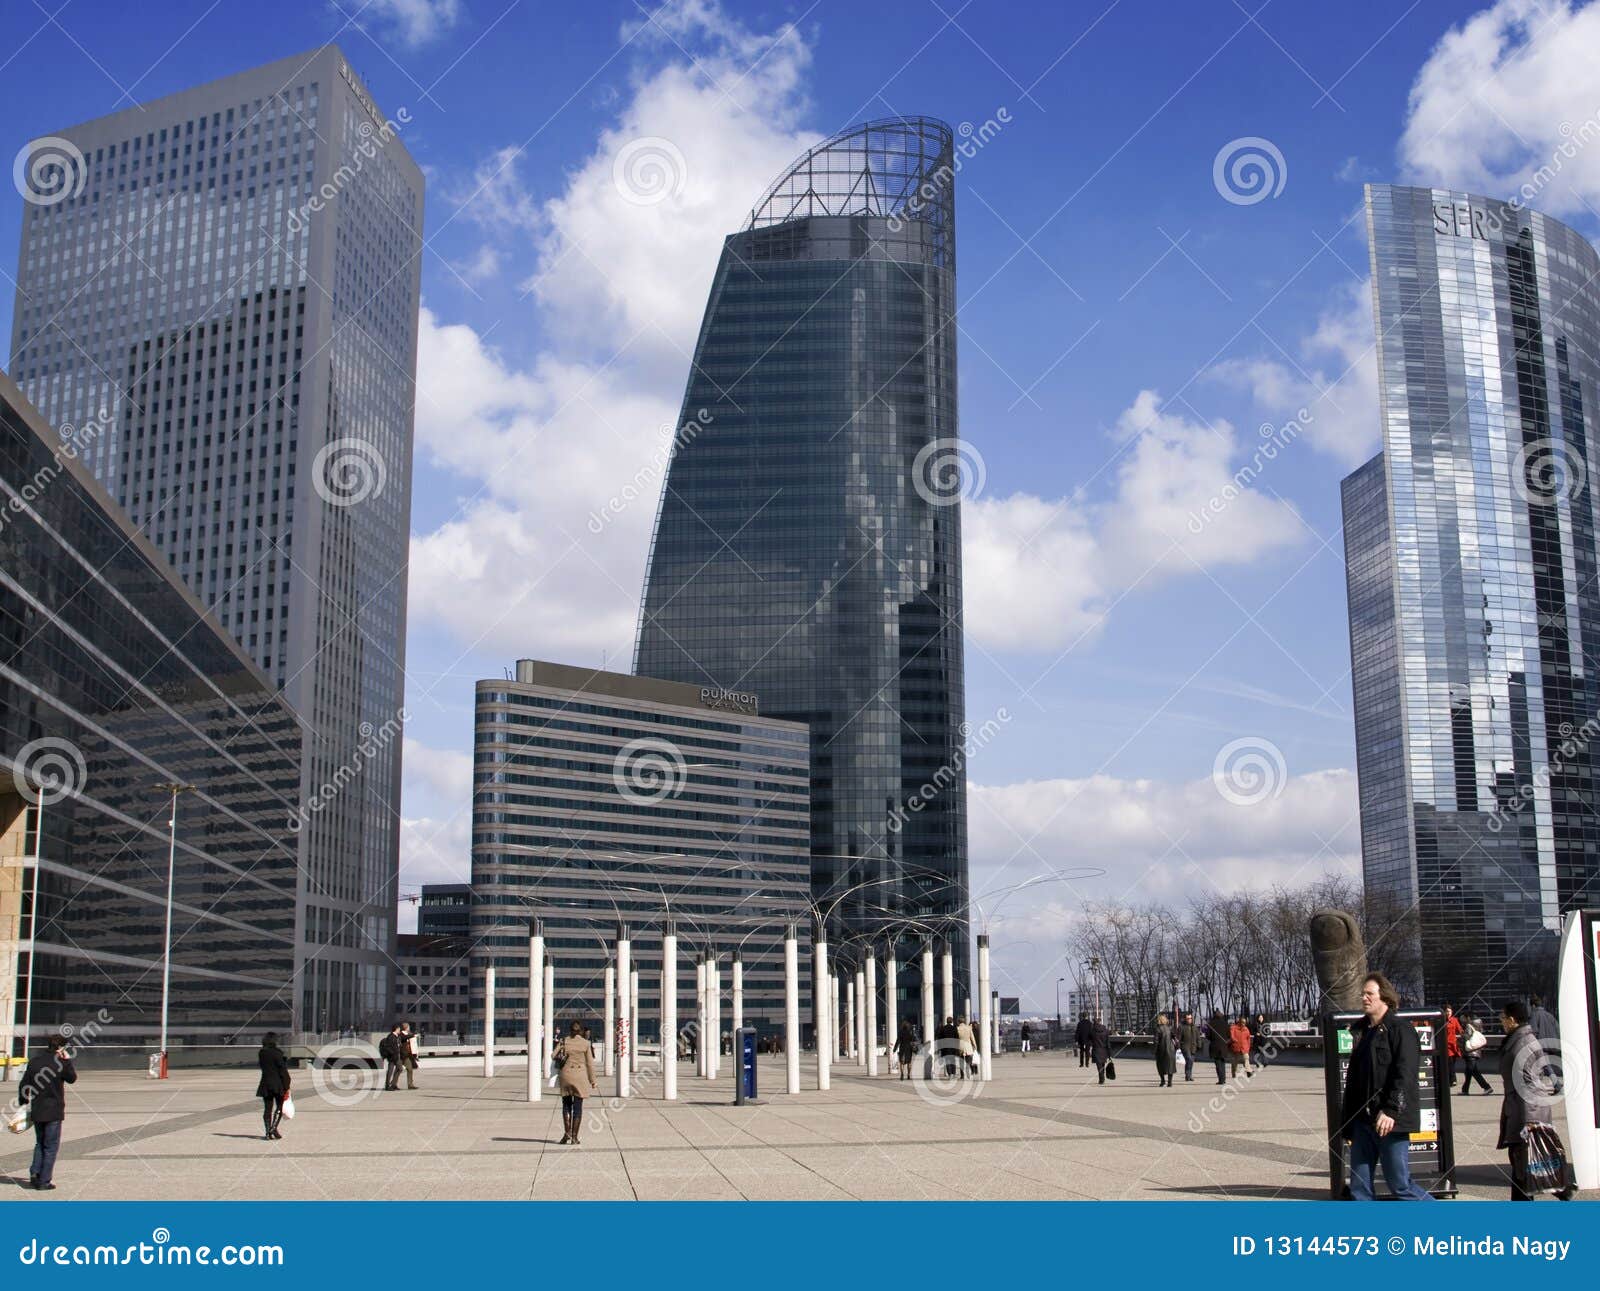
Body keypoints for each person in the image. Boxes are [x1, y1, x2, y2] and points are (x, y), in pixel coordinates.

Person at [1337, 972, 1432, 1201]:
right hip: (1362, 1121)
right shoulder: (1362, 1032)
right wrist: (1349, 1122)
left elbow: (1405, 1074)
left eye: (1370, 994)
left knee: (1400, 1185)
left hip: (1389, 1121)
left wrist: (1391, 1110)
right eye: (1363, 994)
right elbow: (1355, 1081)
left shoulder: (1400, 1030)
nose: (1364, 998)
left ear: (1385, 998)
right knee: (1359, 1187)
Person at [1496, 998, 1570, 1200]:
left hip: (1525, 1114)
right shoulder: (1518, 1039)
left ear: (1512, 1019)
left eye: (1503, 1017)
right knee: (1523, 1166)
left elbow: (1529, 1085)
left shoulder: (1523, 1043)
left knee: (1523, 1165)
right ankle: (1561, 1190)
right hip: (1520, 1110)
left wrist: (1530, 1123)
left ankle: (1562, 1189)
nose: (1501, 1021)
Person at [19, 1033, 77, 1191]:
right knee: (50, 1146)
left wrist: (23, 1102)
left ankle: (35, 1174)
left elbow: (24, 1084)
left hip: (38, 1108)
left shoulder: (35, 1061)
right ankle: (44, 1181)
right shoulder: (60, 1063)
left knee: (40, 1143)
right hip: (54, 1110)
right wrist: (67, 1060)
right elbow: (72, 1078)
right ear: (61, 1047)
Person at [555, 1020, 597, 1146]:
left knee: (566, 1105)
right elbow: (590, 1064)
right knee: (577, 1108)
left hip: (566, 1076)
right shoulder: (585, 1043)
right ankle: (574, 1137)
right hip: (580, 1077)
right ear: (581, 1031)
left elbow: (553, 1055)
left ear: (570, 1029)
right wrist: (593, 1081)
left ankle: (566, 1134)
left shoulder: (564, 1041)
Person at [255, 1033, 291, 1141]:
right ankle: (273, 1128)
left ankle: (268, 1132)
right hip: (278, 1084)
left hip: (265, 1083)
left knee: (267, 1108)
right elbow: (282, 1071)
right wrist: (287, 1085)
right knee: (279, 1107)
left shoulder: (262, 1053)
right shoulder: (277, 1054)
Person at [1459, 1012, 1492, 1095]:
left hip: (1470, 1052)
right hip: (1476, 1050)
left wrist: (1461, 1036)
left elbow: (1467, 1036)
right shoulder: (1478, 1024)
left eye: (1463, 1018)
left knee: (1473, 1071)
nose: (1461, 1020)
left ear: (1468, 1018)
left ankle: (1487, 1087)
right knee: (1468, 1072)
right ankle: (1465, 1090)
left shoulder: (1469, 1025)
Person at [1206, 1012, 1230, 1084]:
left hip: (1215, 1046)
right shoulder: (1225, 1024)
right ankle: (1223, 1079)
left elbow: (1208, 1036)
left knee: (1218, 1063)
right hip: (1223, 1046)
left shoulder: (1211, 1024)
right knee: (1223, 1063)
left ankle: (1221, 1079)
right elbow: (1229, 1035)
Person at [1153, 1013, 1176, 1087]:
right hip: (1171, 1049)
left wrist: (1154, 1050)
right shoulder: (1170, 1028)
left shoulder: (1158, 1029)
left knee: (1160, 1066)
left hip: (1161, 1050)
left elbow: (1156, 1041)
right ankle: (1170, 1082)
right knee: (1170, 1066)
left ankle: (1163, 1081)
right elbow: (1174, 1036)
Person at [379, 1022, 404, 1091]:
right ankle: (388, 1086)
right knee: (392, 1070)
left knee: (398, 1069)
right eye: (399, 1029)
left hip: (396, 1056)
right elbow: (388, 1047)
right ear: (396, 1029)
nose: (400, 1030)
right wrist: (393, 1053)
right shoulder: (390, 1036)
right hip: (392, 1057)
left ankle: (393, 1084)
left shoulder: (396, 1036)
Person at [935, 1016, 961, 1080]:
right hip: (953, 1048)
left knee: (947, 1061)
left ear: (947, 1021)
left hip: (945, 1048)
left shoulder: (943, 1028)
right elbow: (957, 1038)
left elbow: (940, 1039)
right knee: (953, 1061)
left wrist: (939, 1048)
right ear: (951, 1021)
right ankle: (953, 1073)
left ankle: (949, 1074)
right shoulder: (954, 1028)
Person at [1089, 1017, 1111, 1084]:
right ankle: (1102, 1078)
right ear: (1100, 1022)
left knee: (1099, 1066)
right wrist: (1109, 1054)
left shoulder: (1092, 1031)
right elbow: (1108, 1043)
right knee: (1102, 1065)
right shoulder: (1106, 1031)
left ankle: (1101, 1079)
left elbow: (1090, 1041)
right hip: (1104, 1050)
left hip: (1096, 1049)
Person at [1179, 1012, 1199, 1083]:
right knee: (1189, 1060)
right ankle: (1188, 1075)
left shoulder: (1194, 1027)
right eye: (1188, 1018)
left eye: (1190, 1018)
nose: (1189, 1020)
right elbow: (1179, 1038)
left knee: (1191, 1062)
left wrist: (1199, 1044)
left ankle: (1189, 1075)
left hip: (1193, 1046)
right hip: (1185, 1046)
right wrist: (1179, 1046)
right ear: (1185, 1019)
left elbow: (1198, 1036)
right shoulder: (1182, 1027)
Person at [399, 1021, 419, 1089]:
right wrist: (413, 1035)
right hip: (402, 1055)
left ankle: (410, 1084)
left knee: (410, 1069)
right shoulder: (401, 1034)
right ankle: (393, 1084)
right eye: (409, 1027)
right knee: (398, 1070)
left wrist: (415, 1054)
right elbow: (404, 1037)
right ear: (406, 1027)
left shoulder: (409, 1034)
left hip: (408, 1055)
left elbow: (413, 1045)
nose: (409, 1028)